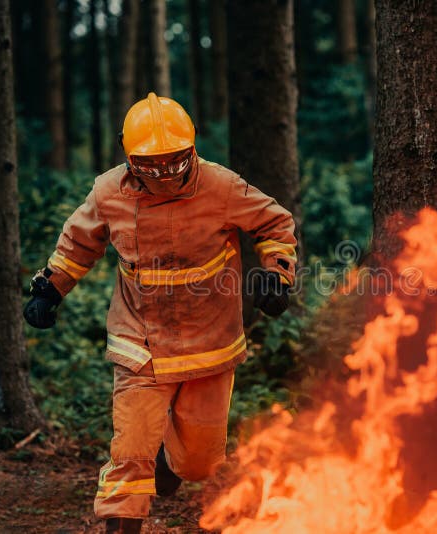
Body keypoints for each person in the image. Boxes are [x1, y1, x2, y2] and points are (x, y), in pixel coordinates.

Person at [23, 93, 298, 534]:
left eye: (174, 162)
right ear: (127, 155)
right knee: (130, 450)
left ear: (192, 149)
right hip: (140, 342)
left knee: (200, 463)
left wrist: (277, 274)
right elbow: (78, 243)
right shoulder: (108, 191)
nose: (164, 174)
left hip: (210, 341)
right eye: (151, 166)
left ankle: (170, 461)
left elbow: (275, 223)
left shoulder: (222, 186)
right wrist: (50, 290)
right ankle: (122, 520)